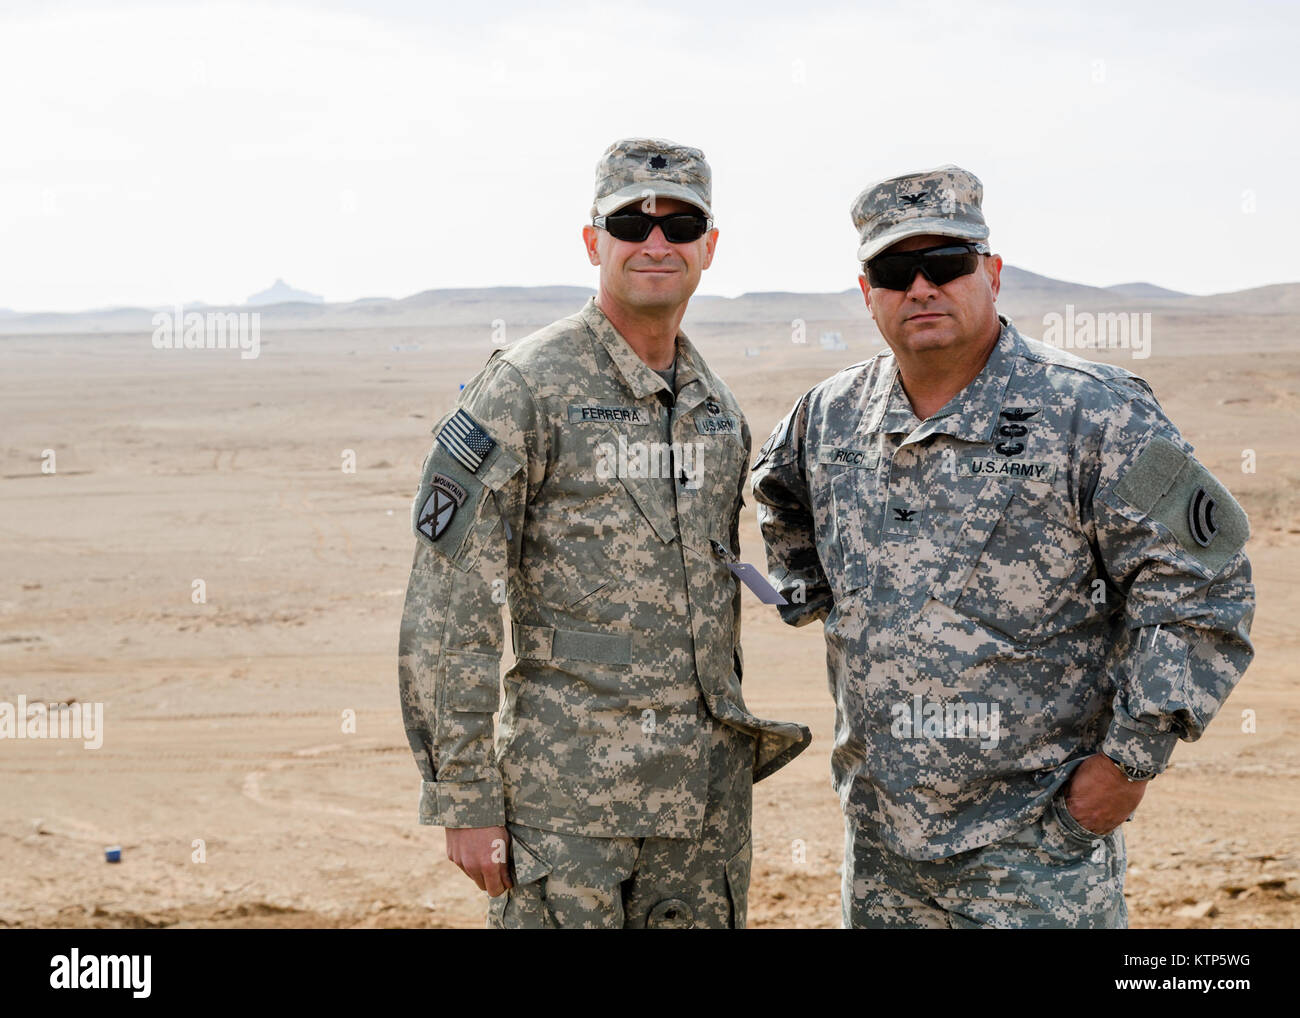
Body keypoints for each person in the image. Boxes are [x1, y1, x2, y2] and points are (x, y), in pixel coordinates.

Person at [750, 164, 1255, 928]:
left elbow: (1204, 579)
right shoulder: (829, 415)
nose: (921, 287)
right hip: (883, 843)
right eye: (894, 270)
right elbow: (779, 495)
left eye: (945, 263)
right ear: (867, 292)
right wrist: (817, 596)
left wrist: (1128, 761)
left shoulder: (1095, 412)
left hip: (1036, 850)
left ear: (991, 271)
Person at [398, 137, 810, 929]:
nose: (657, 242)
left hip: (701, 817)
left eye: (681, 224)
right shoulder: (526, 386)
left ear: (709, 248)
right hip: (570, 813)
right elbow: (452, 604)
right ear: (594, 241)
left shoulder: (715, 408)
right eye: (632, 222)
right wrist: (463, 796)